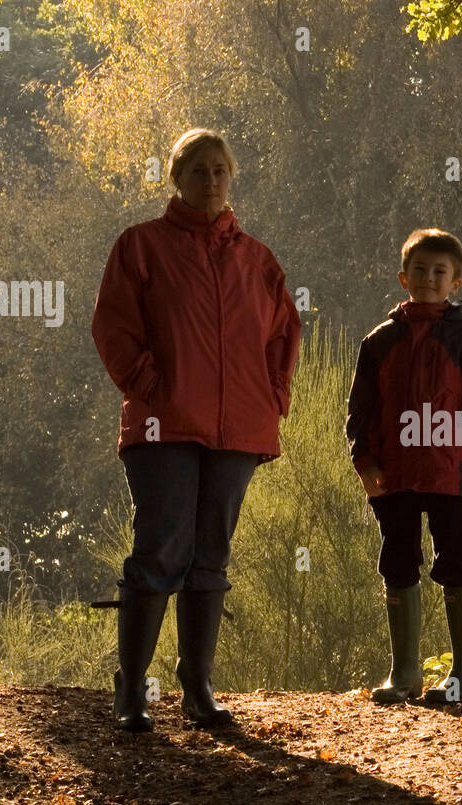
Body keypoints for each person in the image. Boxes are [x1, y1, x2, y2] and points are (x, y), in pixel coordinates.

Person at [91, 127, 301, 731]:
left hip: (239, 427)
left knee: (211, 553)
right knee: (161, 549)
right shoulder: (141, 246)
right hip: (164, 422)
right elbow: (113, 324)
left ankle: (197, 685)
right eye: (198, 170)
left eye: (220, 171)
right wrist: (147, 384)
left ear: (230, 178)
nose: (210, 181)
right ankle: (131, 689)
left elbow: (284, 333)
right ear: (176, 177)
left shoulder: (257, 259)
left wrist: (274, 396)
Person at [346, 228, 462, 704]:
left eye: (440, 272)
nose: (428, 279)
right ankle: (404, 674)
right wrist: (365, 462)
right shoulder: (378, 341)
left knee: (456, 560)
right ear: (403, 277)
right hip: (393, 476)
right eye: (419, 270)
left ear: (455, 282)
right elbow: (360, 410)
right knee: (397, 560)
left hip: (448, 473)